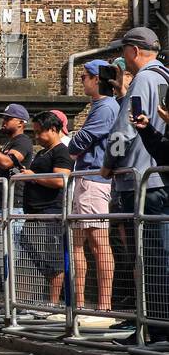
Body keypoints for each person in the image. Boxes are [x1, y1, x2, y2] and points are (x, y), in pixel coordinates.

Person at [102, 27, 169, 340]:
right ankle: (154, 328)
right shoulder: (164, 76)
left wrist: (108, 164)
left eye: (124, 52)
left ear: (133, 51)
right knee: (158, 257)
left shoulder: (143, 79)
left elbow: (124, 130)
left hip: (141, 184)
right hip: (158, 181)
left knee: (148, 260)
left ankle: (154, 331)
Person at [68, 60, 118, 313]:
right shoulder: (100, 106)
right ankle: (80, 305)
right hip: (86, 179)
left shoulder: (106, 107)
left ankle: (104, 306)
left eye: (85, 76)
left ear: (97, 79)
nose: (81, 80)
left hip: (94, 180)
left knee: (98, 243)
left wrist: (74, 143)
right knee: (78, 243)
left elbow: (80, 142)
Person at [17, 111, 73, 307]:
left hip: (50, 213)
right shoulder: (43, 153)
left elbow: (61, 180)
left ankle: (53, 302)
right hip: (34, 213)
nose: (36, 136)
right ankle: (33, 300)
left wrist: (32, 176)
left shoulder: (60, 152)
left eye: (40, 132)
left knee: (52, 257)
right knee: (32, 252)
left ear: (54, 129)